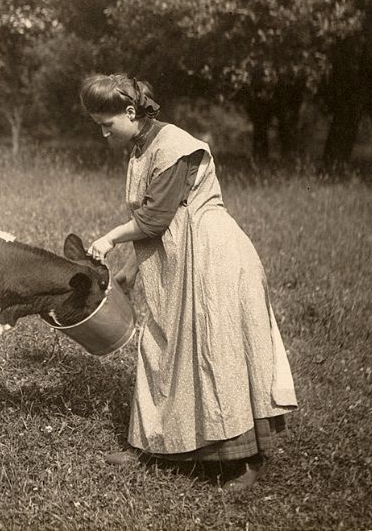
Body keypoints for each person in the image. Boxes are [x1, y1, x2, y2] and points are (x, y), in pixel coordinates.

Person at [81, 74, 297, 491]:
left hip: (213, 259)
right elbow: (155, 221)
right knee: (161, 347)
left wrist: (109, 239)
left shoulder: (176, 146)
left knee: (217, 351)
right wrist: (128, 270)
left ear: (130, 113)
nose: (103, 132)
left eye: (107, 123)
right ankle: (150, 443)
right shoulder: (142, 146)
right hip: (180, 257)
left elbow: (152, 219)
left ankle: (243, 460)